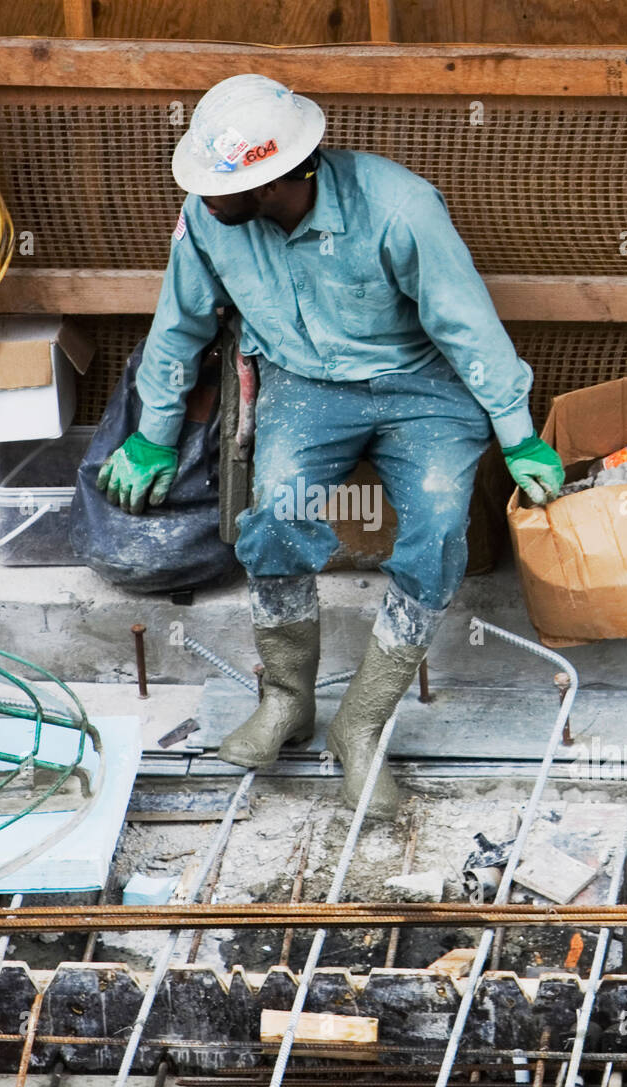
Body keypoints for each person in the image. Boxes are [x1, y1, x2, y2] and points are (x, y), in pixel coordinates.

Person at [98, 74, 564, 818]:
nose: (199, 194)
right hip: (306, 386)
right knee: (277, 511)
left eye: (219, 183)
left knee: (441, 520)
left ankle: (362, 723)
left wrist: (520, 434)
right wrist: (154, 434)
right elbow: (179, 324)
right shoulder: (208, 218)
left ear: (277, 179)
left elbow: (466, 323)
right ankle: (288, 700)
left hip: (425, 386)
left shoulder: (400, 207)